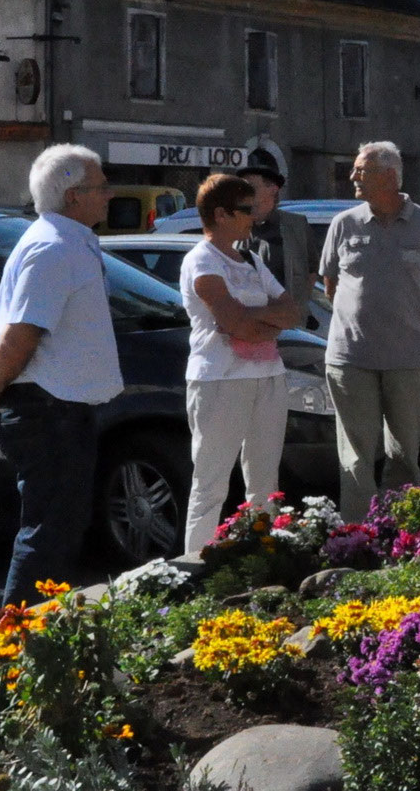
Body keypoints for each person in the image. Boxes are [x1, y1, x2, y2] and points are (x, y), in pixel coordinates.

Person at [0, 145, 123, 608]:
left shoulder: (64, 240)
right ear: (73, 197)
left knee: (59, 527)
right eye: (100, 186)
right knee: (50, 530)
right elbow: (22, 332)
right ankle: (20, 641)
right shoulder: (53, 247)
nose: (110, 193)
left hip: (58, 407)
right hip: (49, 410)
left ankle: (38, 635)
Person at [319, 140, 420, 520]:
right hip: (351, 357)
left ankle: (401, 531)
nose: (352, 177)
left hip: (409, 359)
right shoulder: (344, 224)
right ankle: (358, 535)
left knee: (404, 453)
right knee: (355, 453)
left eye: (361, 170)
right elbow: (331, 286)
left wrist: (402, 317)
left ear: (390, 176)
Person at [178, 173, 302, 555]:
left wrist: (258, 321)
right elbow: (234, 324)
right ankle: (195, 566)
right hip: (219, 379)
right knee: (211, 481)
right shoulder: (201, 260)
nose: (254, 218)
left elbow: (294, 311)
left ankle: (263, 557)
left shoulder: (249, 258)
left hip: (268, 376)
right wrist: (264, 320)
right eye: (246, 210)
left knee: (265, 480)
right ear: (221, 214)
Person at [238, 151, 314, 320]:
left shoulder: (296, 226)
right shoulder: (235, 226)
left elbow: (312, 273)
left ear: (272, 189)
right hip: (248, 326)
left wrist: (297, 308)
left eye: (251, 187)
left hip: (289, 326)